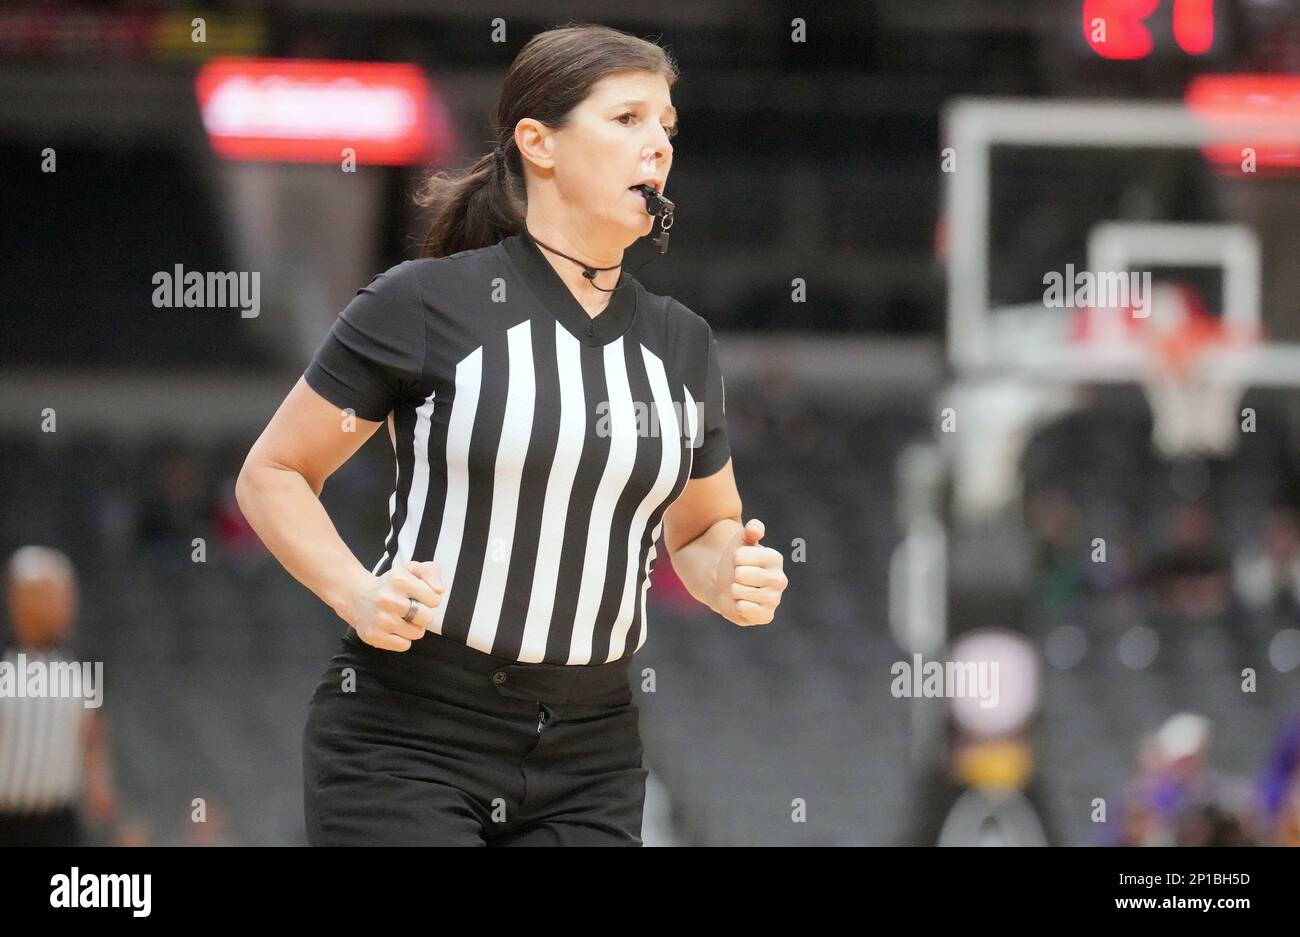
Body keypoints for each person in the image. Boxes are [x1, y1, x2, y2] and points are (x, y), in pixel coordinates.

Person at [237, 23, 788, 846]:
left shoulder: (683, 343)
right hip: (410, 734)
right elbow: (274, 472)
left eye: (667, 127)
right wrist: (356, 590)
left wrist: (727, 575)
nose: (658, 147)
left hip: (592, 748)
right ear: (539, 143)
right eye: (628, 119)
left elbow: (703, 528)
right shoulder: (423, 304)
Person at [0, 546, 119, 846]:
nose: (63, 607)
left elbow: (92, 733)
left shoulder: (84, 668)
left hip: (57, 819)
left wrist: (97, 781)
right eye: (47, 597)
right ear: (17, 602)